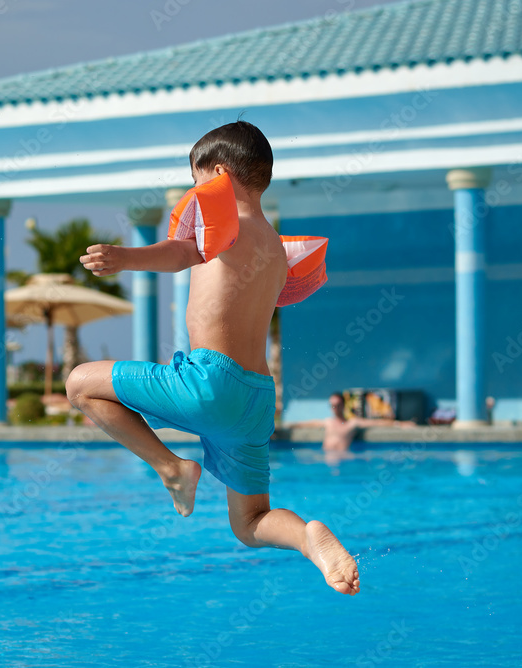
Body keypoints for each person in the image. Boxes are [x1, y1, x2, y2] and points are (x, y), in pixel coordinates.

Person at [66, 121, 360, 596]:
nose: (196, 193)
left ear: (218, 173)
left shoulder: (224, 225)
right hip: (257, 398)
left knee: (80, 383)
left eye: (197, 181)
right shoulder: (274, 248)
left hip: (209, 381)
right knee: (250, 522)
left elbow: (180, 253)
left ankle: (171, 468)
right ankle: (309, 540)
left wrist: (124, 257)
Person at [292, 392, 416, 454]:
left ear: (343, 406)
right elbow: (305, 424)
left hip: (343, 458)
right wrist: (281, 427)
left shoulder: (352, 423)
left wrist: (400, 424)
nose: (334, 408)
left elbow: (377, 422)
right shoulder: (328, 422)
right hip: (325, 456)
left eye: (337, 405)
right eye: (331, 405)